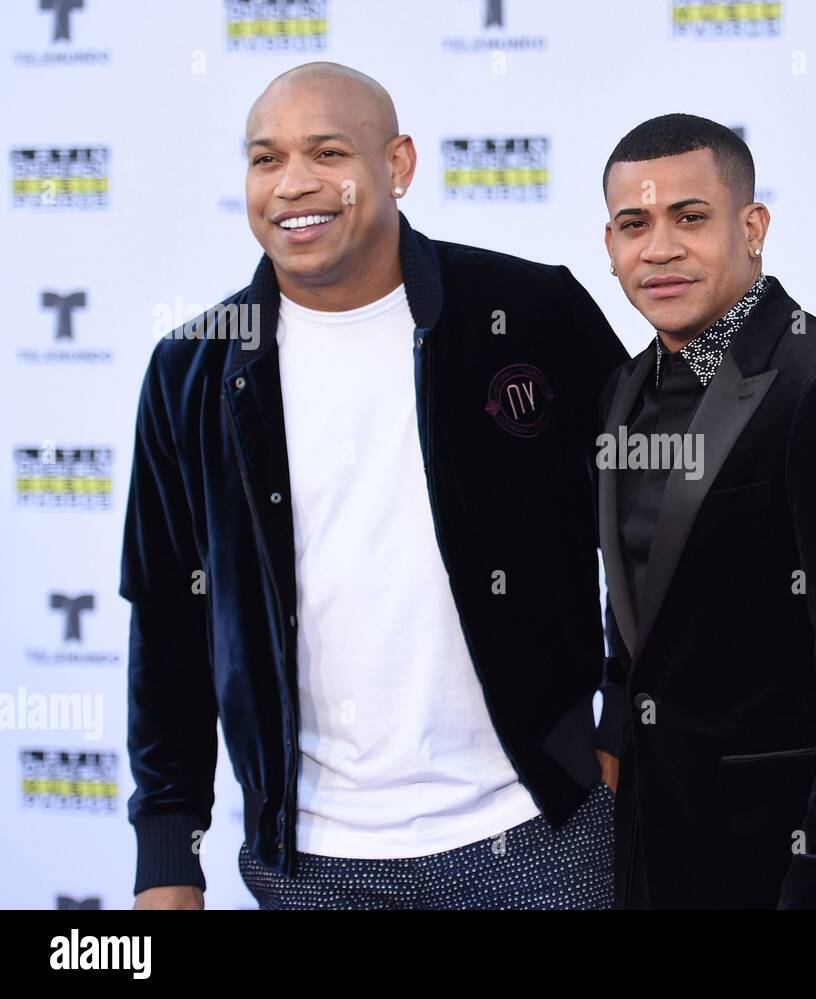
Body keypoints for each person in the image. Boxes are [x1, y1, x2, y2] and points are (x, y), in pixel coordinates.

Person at [123, 62, 628, 910]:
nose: (293, 186)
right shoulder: (193, 368)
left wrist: (620, 731)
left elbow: (646, 529)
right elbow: (169, 619)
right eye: (265, 159)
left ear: (397, 165)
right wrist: (168, 851)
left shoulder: (529, 309)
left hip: (540, 826)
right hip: (311, 861)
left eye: (327, 152)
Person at [596, 113, 816, 908]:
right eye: (633, 224)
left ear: (753, 227)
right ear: (608, 245)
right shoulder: (620, 388)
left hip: (786, 870)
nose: (660, 249)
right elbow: (641, 623)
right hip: (650, 859)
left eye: (690, 217)